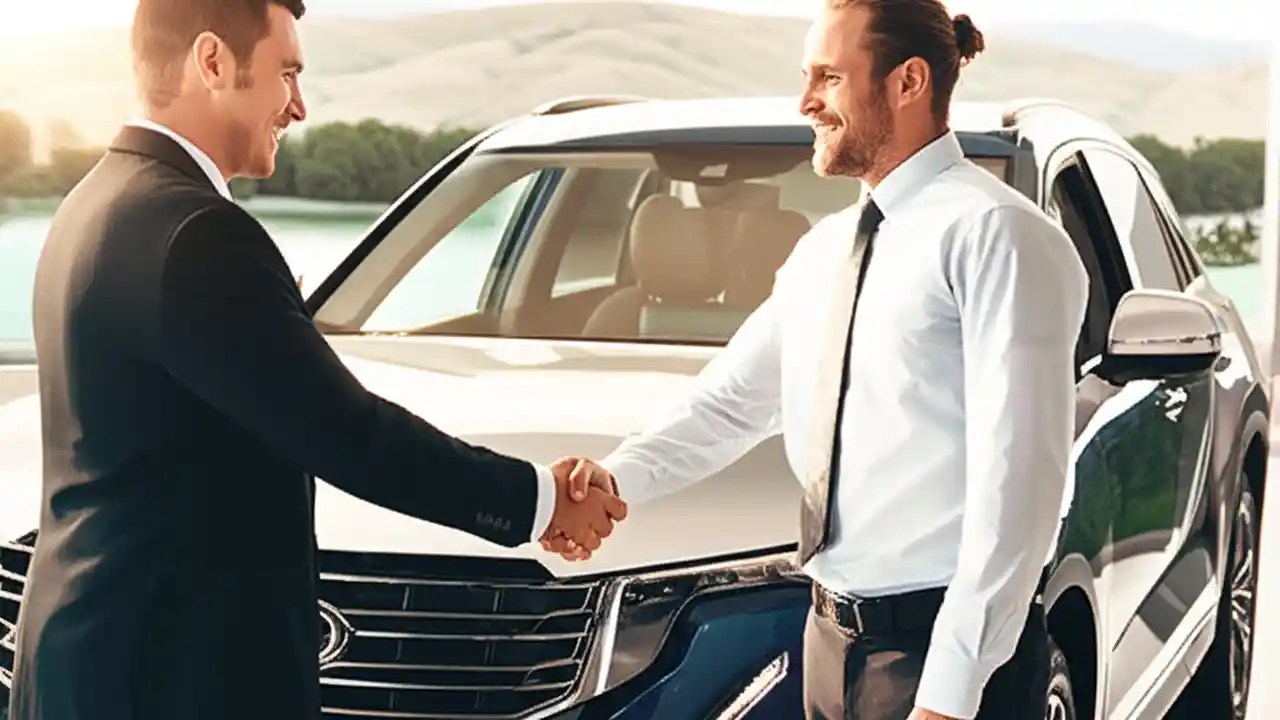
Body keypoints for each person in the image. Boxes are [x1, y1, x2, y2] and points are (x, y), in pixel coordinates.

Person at [8, 1, 626, 719]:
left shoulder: (94, 205)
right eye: (287, 74)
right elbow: (348, 433)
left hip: (84, 661)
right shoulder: (200, 234)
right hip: (173, 677)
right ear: (213, 63)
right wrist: (539, 500)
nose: (298, 106)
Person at [543, 1, 1089, 718]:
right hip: (829, 642)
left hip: (945, 658)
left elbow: (1021, 484)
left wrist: (951, 692)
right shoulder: (825, 250)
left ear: (909, 81)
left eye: (829, 78)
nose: (806, 103)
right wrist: (618, 479)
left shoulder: (998, 236)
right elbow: (732, 402)